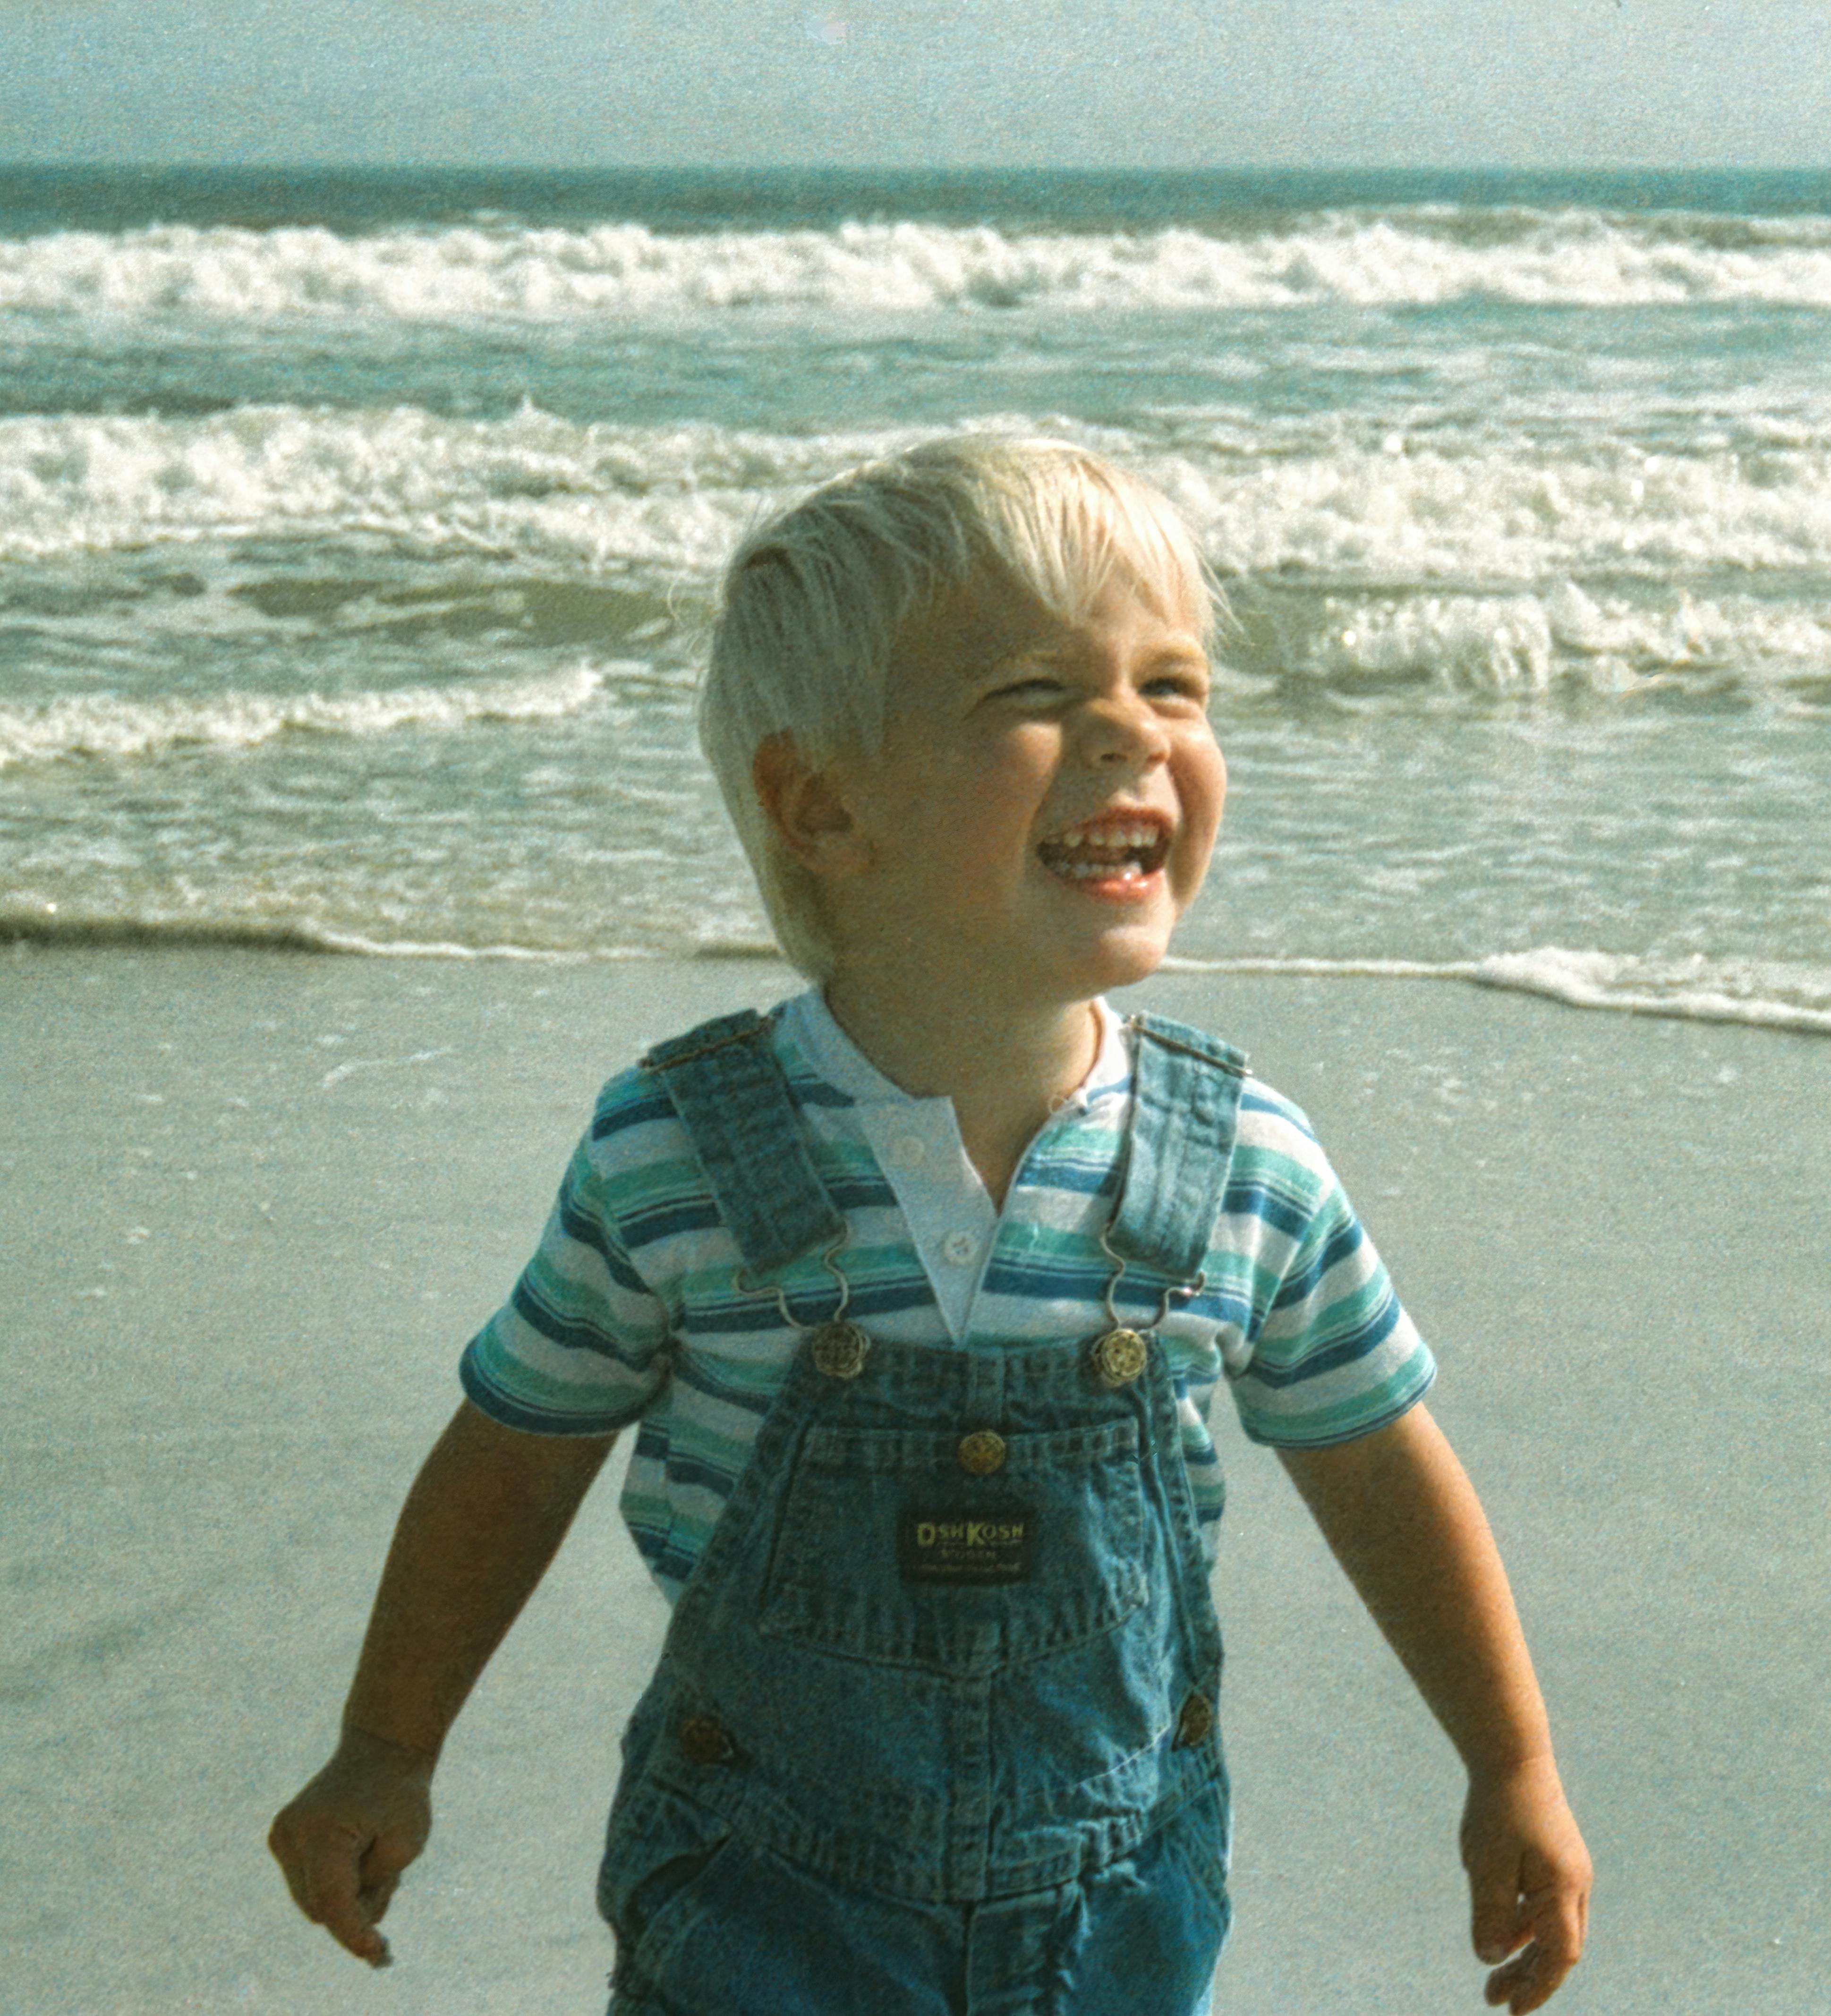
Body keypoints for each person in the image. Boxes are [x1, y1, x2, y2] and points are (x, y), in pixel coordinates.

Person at [269, 436, 1591, 2016]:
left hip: (1112, 1904)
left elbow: (1378, 1459)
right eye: (1036, 694)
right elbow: (513, 1450)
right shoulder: (680, 1151)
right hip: (755, 1899)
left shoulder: (1242, 1162)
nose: (1131, 731)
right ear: (822, 805)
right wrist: (386, 1747)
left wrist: (1509, 1762)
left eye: (1174, 686)